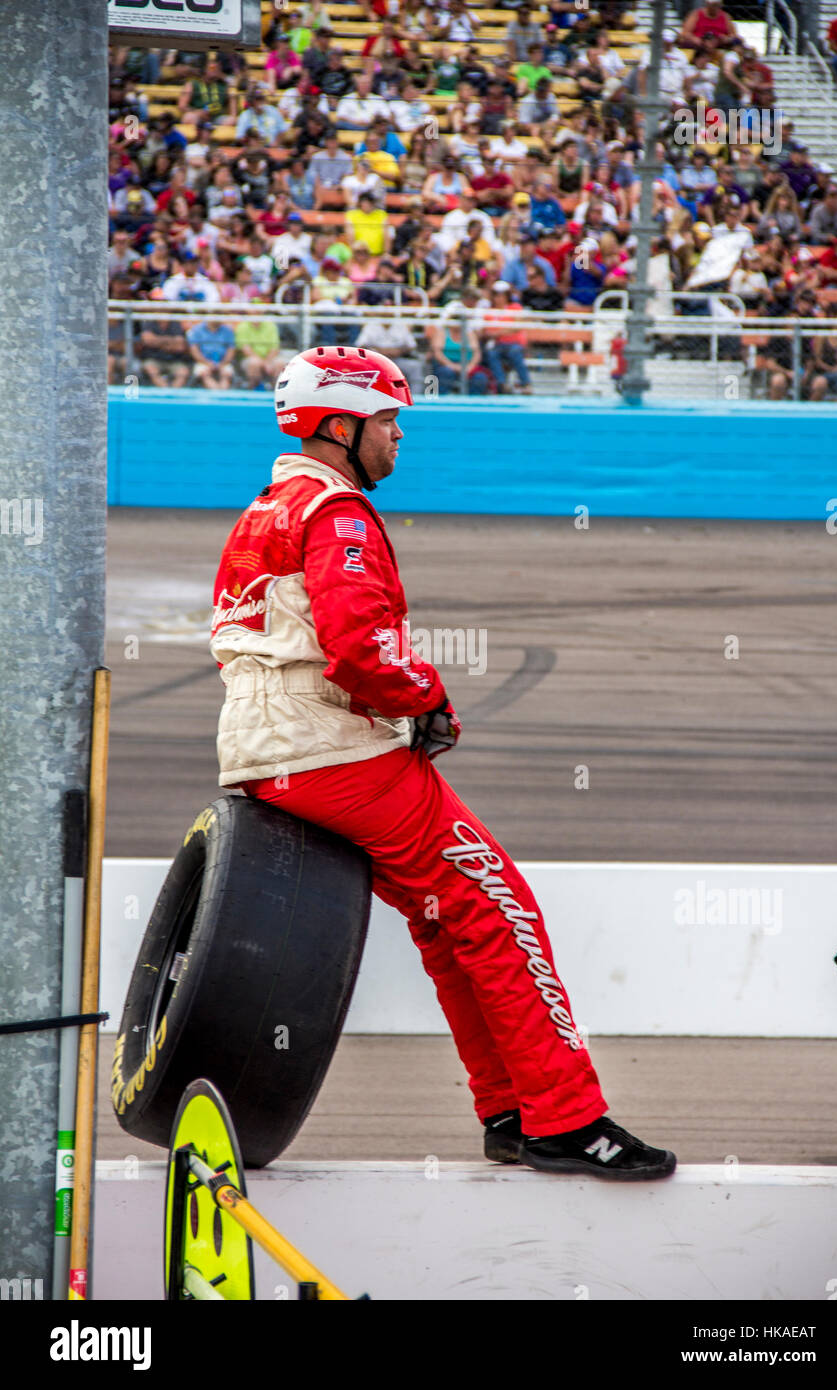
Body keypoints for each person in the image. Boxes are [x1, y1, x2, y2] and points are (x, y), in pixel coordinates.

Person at [208, 346, 677, 1178]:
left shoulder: (266, 507)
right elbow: (361, 647)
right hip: (333, 752)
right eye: (387, 420)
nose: (398, 436)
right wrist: (426, 696)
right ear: (340, 427)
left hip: (260, 753)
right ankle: (567, 1119)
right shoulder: (338, 513)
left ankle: (510, 1111)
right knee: (499, 908)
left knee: (444, 920)